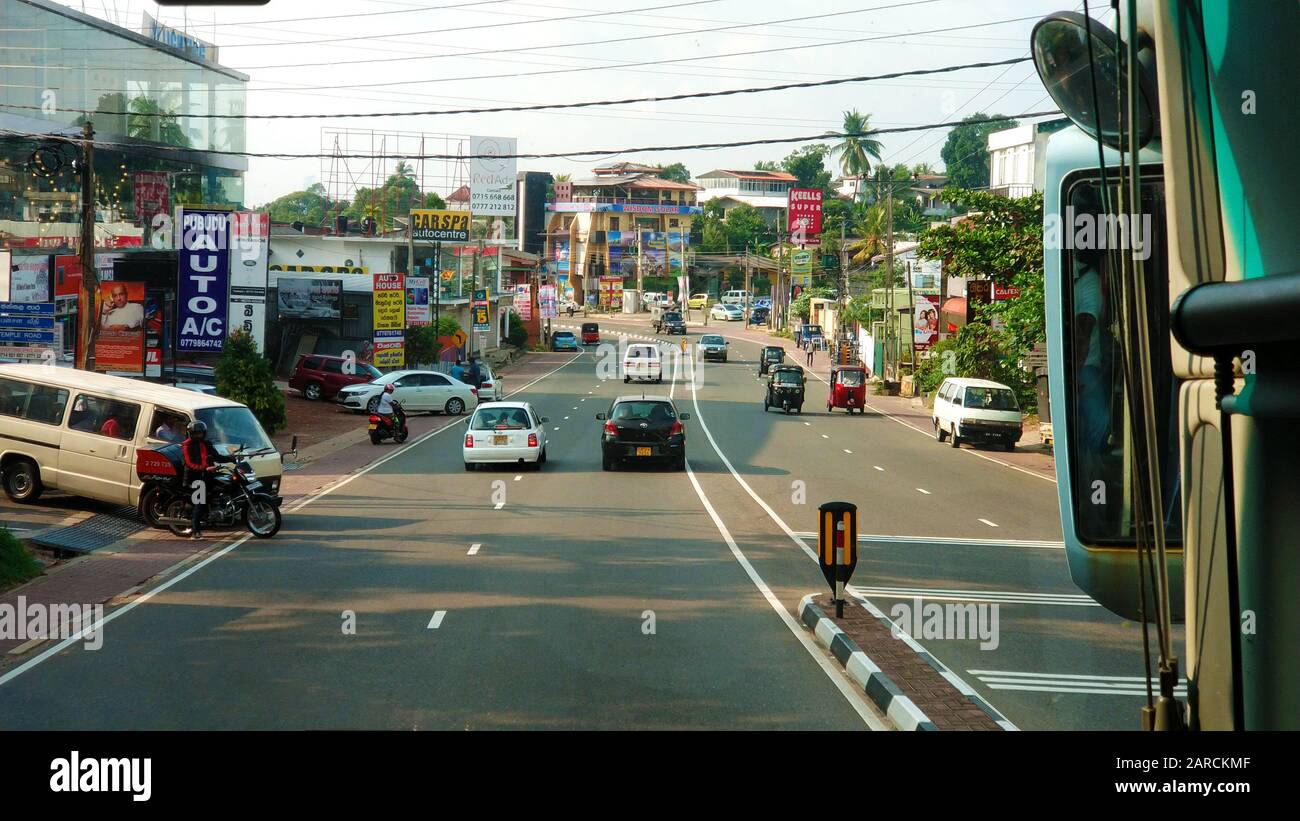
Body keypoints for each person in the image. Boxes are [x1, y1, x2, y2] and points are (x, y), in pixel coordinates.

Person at [181, 420, 232, 540]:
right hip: (194, 478)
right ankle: (195, 531)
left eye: (200, 433)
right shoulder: (187, 445)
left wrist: (231, 458)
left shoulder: (207, 444)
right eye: (196, 434)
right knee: (201, 502)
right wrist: (206, 468)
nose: (199, 436)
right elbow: (190, 463)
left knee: (222, 487)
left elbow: (217, 456)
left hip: (207, 475)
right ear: (191, 434)